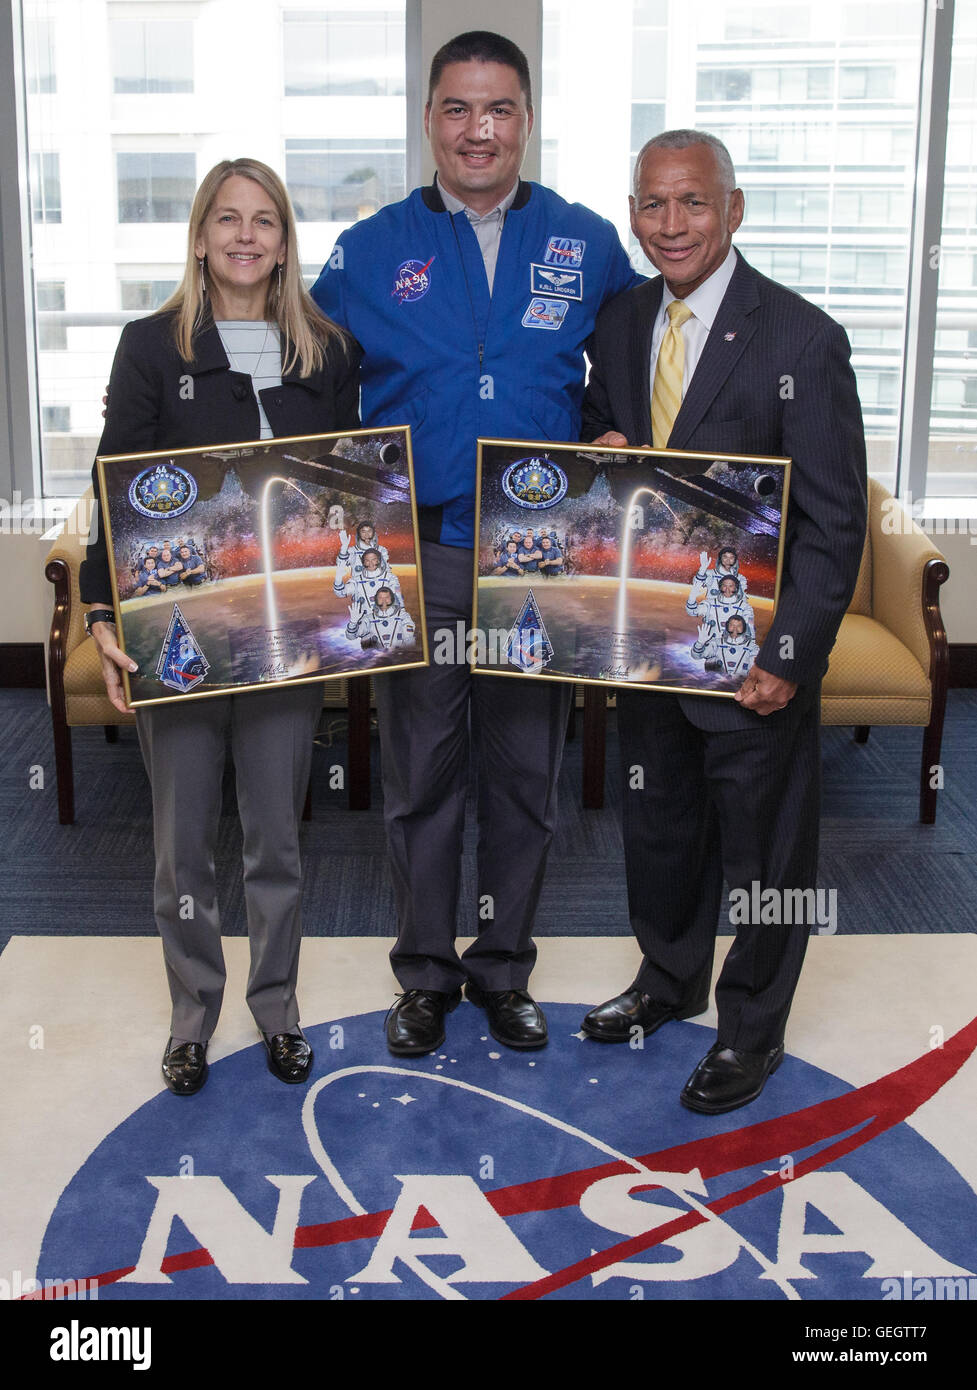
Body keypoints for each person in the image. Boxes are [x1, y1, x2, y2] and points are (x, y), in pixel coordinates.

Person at [312, 30, 640, 1057]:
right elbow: (308, 379)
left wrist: (610, 432)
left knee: (522, 773)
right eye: (456, 108)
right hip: (422, 552)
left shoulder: (584, 242)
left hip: (539, 558)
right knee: (420, 773)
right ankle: (423, 975)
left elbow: (632, 364)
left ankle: (502, 969)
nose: (477, 129)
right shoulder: (368, 250)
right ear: (428, 122)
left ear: (525, 121)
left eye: (497, 108)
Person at [580, 130, 867, 1112]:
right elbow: (594, 436)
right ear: (633, 213)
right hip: (650, 643)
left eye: (691, 203)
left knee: (764, 848)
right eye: (652, 204)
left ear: (732, 210)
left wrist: (789, 653)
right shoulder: (619, 322)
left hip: (751, 659)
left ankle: (751, 1028)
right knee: (657, 826)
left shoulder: (799, 338)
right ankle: (665, 982)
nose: (671, 224)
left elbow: (832, 520)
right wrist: (599, 444)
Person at [80, 157, 359, 1095]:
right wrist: (98, 614)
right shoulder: (151, 347)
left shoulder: (326, 350)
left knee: (275, 838)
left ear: (285, 243)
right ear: (198, 236)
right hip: (176, 636)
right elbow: (114, 486)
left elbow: (343, 489)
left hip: (285, 637)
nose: (246, 236)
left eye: (266, 221)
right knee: (183, 842)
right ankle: (192, 1015)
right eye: (227, 220)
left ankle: (276, 1009)